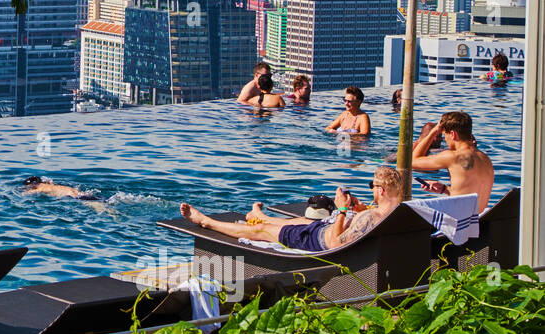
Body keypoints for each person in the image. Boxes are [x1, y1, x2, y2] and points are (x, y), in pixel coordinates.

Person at [180, 166, 404, 253]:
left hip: (316, 240)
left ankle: (206, 221)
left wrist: (344, 208)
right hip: (319, 229)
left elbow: (335, 243)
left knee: (262, 232)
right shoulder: (399, 213)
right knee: (299, 222)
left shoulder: (371, 217)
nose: (371, 190)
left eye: (371, 186)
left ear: (381, 190)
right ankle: (259, 215)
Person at [410, 111, 494, 212]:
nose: (445, 139)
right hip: (478, 222)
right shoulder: (486, 159)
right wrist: (444, 189)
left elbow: (412, 161)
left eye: (445, 135)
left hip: (459, 222)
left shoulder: (453, 156)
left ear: (453, 134)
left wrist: (433, 132)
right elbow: (471, 196)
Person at [20, 176, 113, 212]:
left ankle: (113, 214)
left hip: (76, 198)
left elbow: (26, 194)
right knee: (106, 202)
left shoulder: (40, 188)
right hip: (82, 194)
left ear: (33, 185)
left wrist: (22, 192)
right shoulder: (50, 184)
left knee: (101, 209)